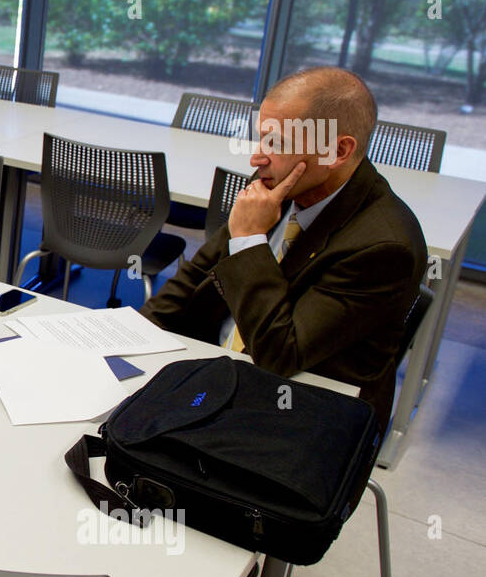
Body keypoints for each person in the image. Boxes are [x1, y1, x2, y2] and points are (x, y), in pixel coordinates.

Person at [141, 67, 427, 425]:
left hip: (299, 411)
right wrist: (133, 339)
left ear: (337, 150)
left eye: (279, 143)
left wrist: (248, 240)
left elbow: (280, 355)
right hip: (218, 370)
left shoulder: (384, 247)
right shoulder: (278, 183)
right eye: (262, 139)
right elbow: (194, 277)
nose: (258, 158)